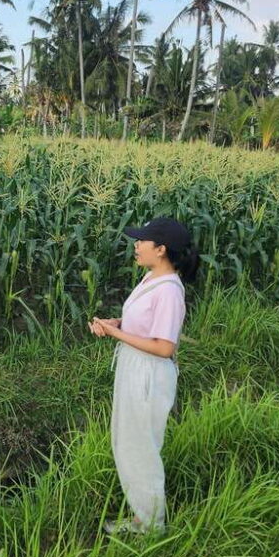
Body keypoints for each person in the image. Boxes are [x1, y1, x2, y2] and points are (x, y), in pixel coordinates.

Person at [89, 217, 199, 535]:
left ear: (161, 249)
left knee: (141, 449)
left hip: (149, 374)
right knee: (129, 444)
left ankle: (151, 526)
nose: (136, 246)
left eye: (142, 241)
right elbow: (144, 323)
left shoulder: (169, 292)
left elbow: (164, 347)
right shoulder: (152, 277)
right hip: (135, 368)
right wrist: (117, 323)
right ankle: (143, 517)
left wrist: (114, 333)